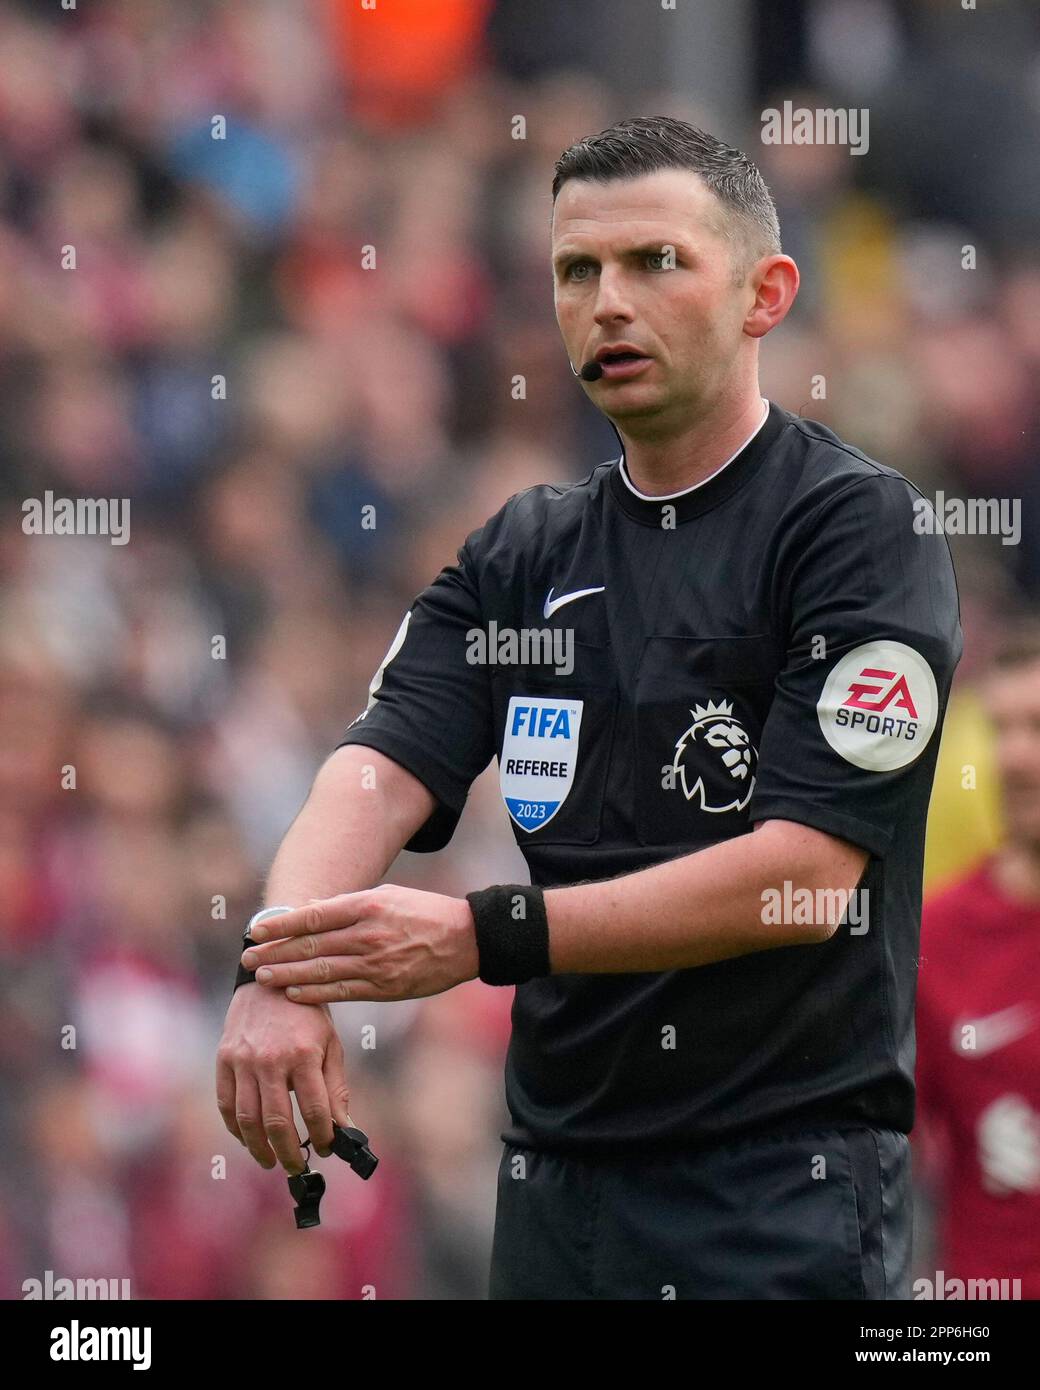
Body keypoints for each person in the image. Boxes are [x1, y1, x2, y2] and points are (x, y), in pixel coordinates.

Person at [215, 116, 962, 1299]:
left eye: (654, 262)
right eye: (576, 270)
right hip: (554, 1197)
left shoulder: (854, 533)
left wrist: (482, 937)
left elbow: (805, 877)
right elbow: (373, 767)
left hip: (772, 1200)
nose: (607, 301)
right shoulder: (524, 549)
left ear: (765, 293)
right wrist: (276, 967)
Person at [915, 624, 1040, 1300]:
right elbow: (880, 1169)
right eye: (1000, 730)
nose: (1014, 756)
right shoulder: (939, 934)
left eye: (1038, 728)